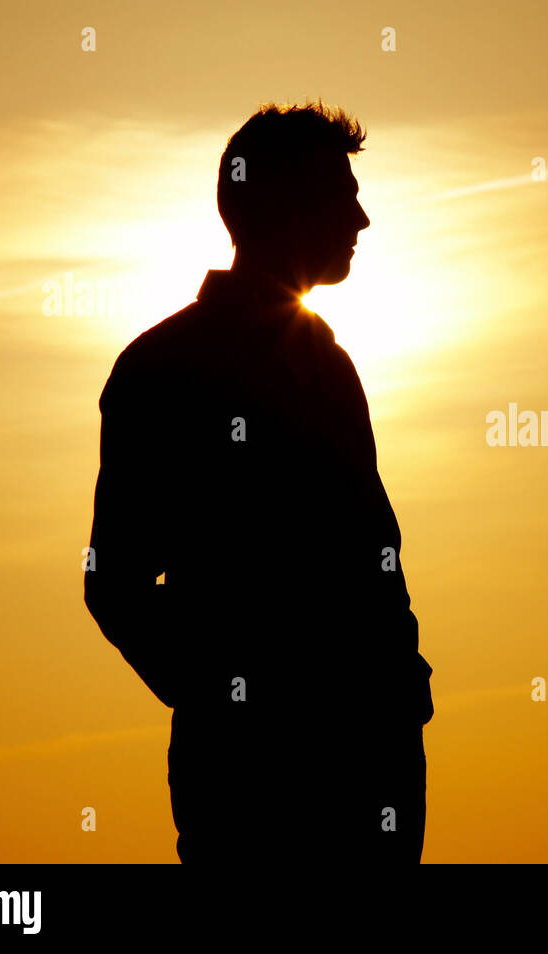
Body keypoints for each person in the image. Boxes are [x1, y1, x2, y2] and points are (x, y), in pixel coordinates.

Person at [84, 101, 433, 863]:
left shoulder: (332, 367)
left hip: (373, 773)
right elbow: (114, 582)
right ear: (285, 208)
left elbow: (374, 552)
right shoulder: (163, 371)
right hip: (252, 789)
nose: (363, 220)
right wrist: (226, 696)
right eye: (342, 197)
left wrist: (398, 687)